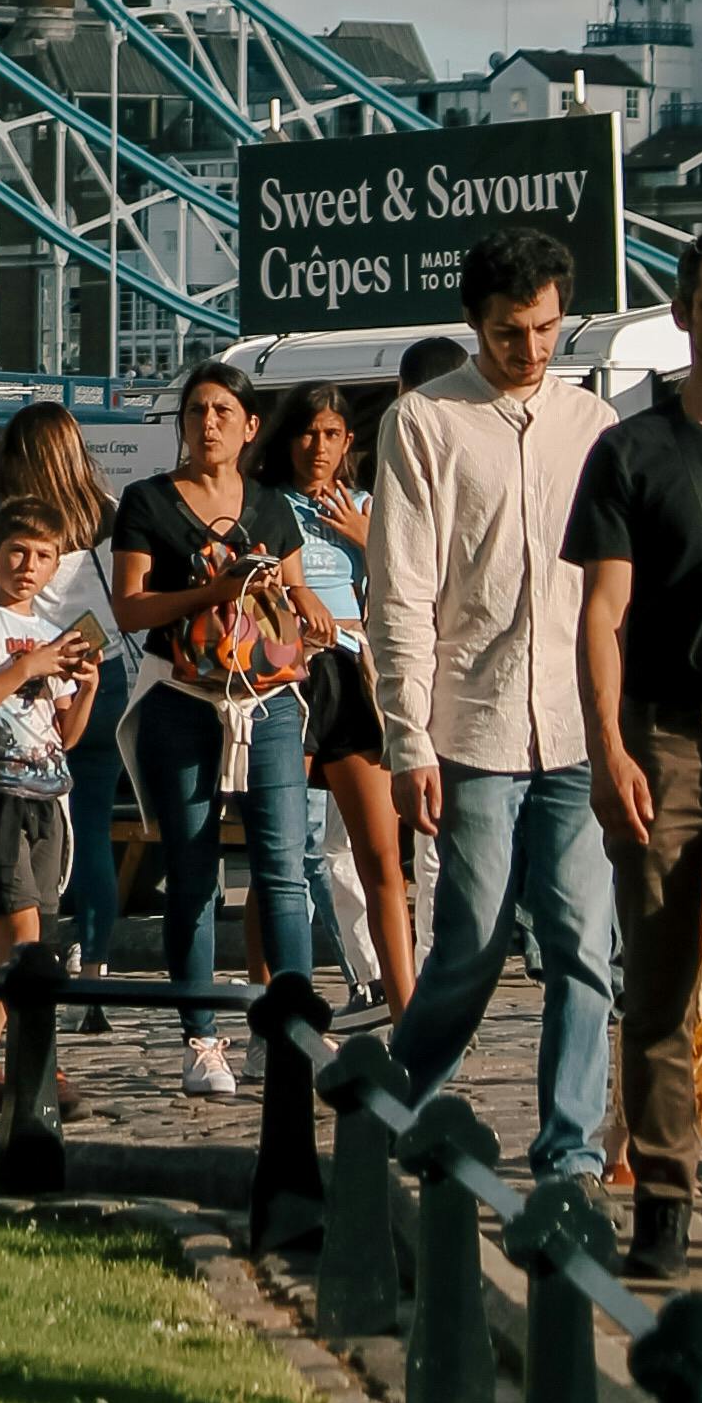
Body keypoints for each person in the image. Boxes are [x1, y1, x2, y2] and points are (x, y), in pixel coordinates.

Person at [371, 226, 616, 1189]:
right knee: (470, 943)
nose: (532, 348)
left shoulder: (591, 425)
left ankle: (572, 1151)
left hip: (576, 724)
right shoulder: (425, 423)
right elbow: (401, 592)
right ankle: (393, 1103)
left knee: (583, 947)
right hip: (469, 725)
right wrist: (407, 738)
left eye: (548, 328)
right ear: (475, 323)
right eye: (513, 331)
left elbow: (611, 589)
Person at [108, 363, 327, 1102]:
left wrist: (309, 610)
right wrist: (213, 591)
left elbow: (296, 591)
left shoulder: (269, 506)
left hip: (264, 702)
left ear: (249, 426)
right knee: (193, 872)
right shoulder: (147, 502)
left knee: (282, 868)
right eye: (198, 410)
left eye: (224, 411)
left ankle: (289, 1029)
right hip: (182, 696)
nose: (209, 423)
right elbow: (130, 607)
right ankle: (200, 1038)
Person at [571, 231, 702, 1279]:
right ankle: (660, 1198)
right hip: (664, 737)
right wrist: (609, 745)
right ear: (688, 313)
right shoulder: (632, 450)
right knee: (657, 982)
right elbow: (603, 614)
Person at [256, 380, 414, 1011]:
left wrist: (362, 534)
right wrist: (300, 602)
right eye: (305, 433)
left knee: (382, 855)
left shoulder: (369, 504)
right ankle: (272, 1011)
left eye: (330, 435)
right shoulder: (265, 503)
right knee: (282, 856)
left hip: (350, 673)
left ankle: (407, 1013)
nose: (317, 448)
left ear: (349, 441)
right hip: (287, 673)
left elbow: (408, 581)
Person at [0, 507, 100, 1111]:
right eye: (17, 552)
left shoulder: (56, 626)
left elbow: (65, 730)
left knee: (21, 945)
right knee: (25, 935)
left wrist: (83, 686)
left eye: (42, 556)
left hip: (47, 792)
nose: (28, 567)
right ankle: (37, 1064)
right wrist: (25, 666)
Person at [0, 404, 131, 1018]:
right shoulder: (108, 515)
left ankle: (16, 959)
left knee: (15, 831)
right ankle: (94, 967)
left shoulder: (4, 519)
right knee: (92, 827)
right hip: (106, 672)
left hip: (30, 684)